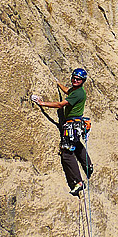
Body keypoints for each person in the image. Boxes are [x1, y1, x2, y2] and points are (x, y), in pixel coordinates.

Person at [31, 68, 93, 196]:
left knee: (66, 153)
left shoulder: (78, 93)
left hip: (71, 124)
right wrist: (58, 84)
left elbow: (60, 105)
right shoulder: (76, 90)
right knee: (76, 144)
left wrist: (42, 103)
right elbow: (67, 90)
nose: (75, 80)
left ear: (83, 81)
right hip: (76, 123)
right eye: (74, 78)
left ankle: (78, 182)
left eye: (78, 79)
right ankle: (88, 165)